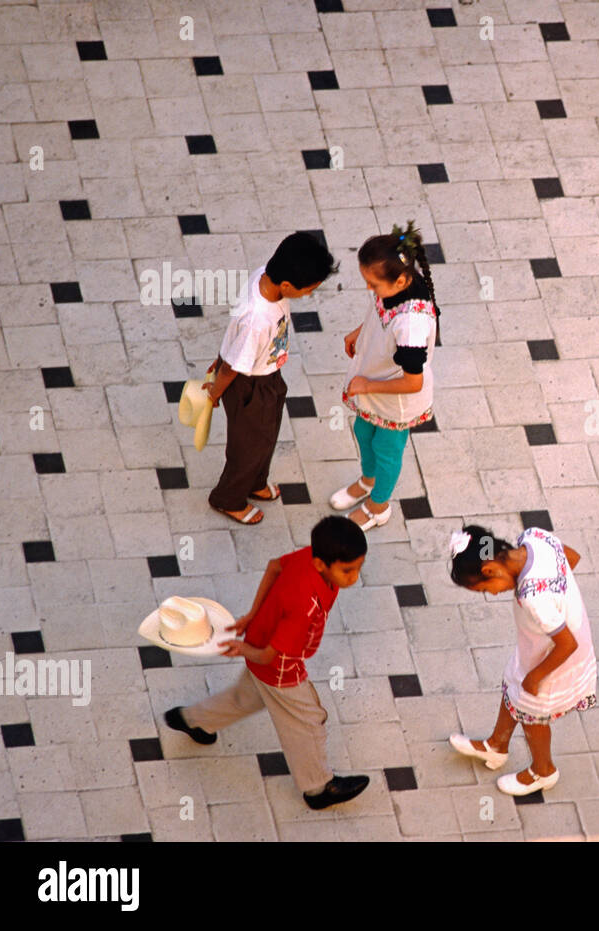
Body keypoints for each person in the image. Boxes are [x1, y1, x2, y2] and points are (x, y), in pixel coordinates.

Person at [164, 517, 372, 811]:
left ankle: (191, 720)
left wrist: (252, 614)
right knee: (307, 722)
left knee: (245, 698)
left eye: (358, 568)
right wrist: (243, 649)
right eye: (348, 570)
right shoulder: (305, 604)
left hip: (263, 648)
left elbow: (275, 565)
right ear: (320, 565)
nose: (354, 577)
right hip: (281, 668)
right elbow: (268, 657)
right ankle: (318, 788)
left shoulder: (306, 558)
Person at [447, 525, 597, 796]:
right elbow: (571, 557)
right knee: (512, 688)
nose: (492, 595)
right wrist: (560, 597)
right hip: (538, 648)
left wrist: (536, 676)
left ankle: (543, 771)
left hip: (554, 661)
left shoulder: (533, 597)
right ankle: (496, 745)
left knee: (532, 716)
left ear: (489, 570)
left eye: (484, 589)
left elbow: (567, 644)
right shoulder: (535, 538)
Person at [206, 232, 337, 525]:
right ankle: (228, 498)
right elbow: (232, 368)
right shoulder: (258, 318)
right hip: (249, 385)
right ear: (288, 285)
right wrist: (215, 392)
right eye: (309, 290)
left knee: (265, 438)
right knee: (248, 447)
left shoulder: (262, 277)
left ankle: (255, 482)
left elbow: (234, 336)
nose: (309, 294)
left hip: (266, 375)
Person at [330, 222, 440, 531]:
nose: (369, 288)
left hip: (397, 399)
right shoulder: (396, 286)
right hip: (376, 381)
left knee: (387, 451)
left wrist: (367, 385)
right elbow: (377, 315)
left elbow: (412, 382)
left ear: (401, 279)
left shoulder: (412, 326)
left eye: (373, 284)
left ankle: (378, 506)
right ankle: (368, 481)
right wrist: (359, 332)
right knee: (363, 433)